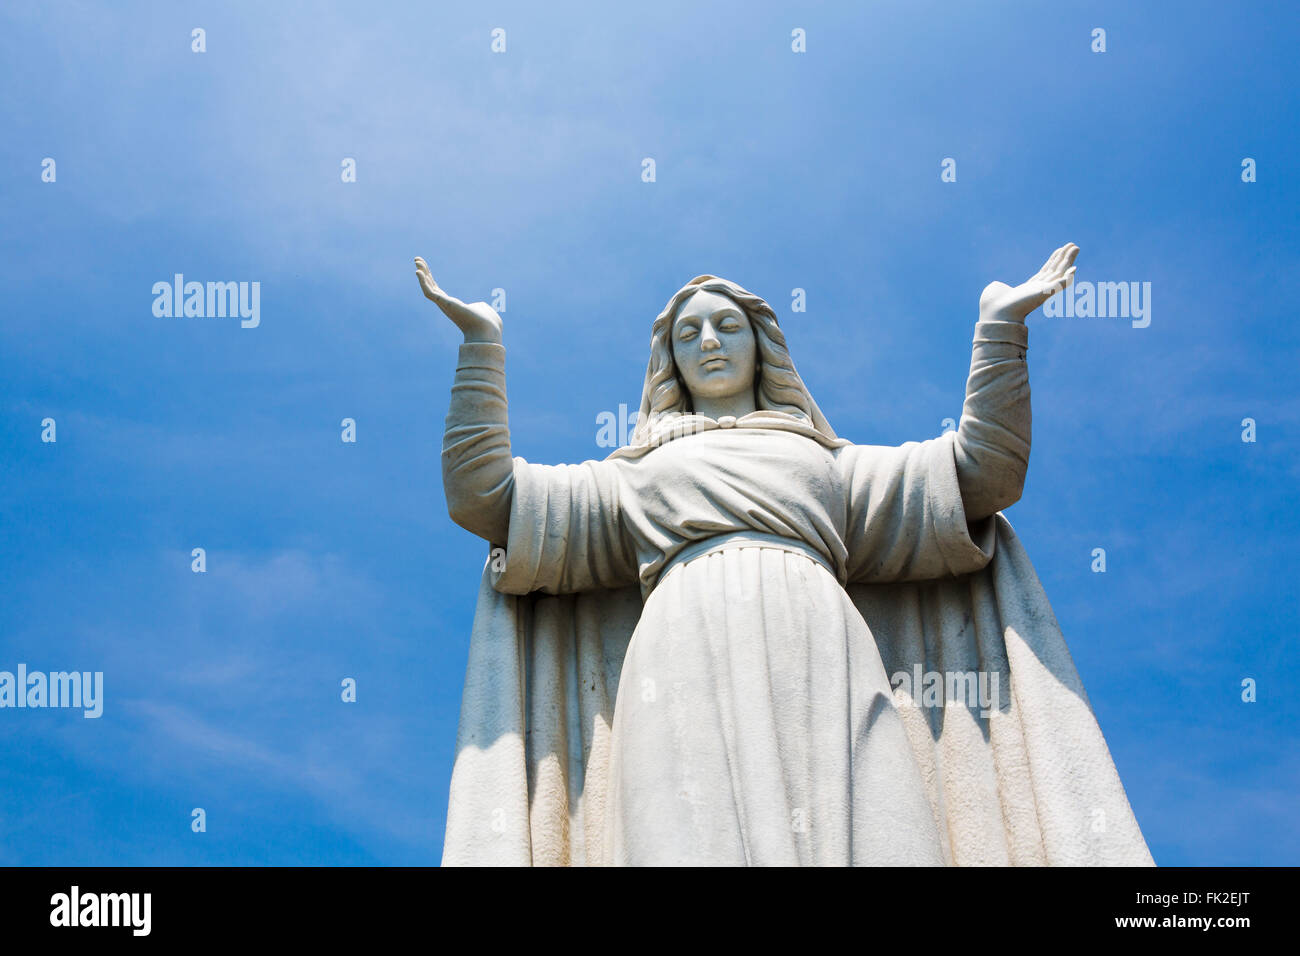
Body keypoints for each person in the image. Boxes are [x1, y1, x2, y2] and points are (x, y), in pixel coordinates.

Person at [421, 247, 1154, 866]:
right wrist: (482, 349)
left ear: (759, 342)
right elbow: (489, 500)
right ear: (668, 360)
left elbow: (980, 477)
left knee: (875, 829)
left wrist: (1000, 332)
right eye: (688, 334)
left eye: (726, 325)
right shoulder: (634, 475)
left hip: (822, 649)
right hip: (681, 651)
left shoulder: (825, 466)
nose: (708, 341)